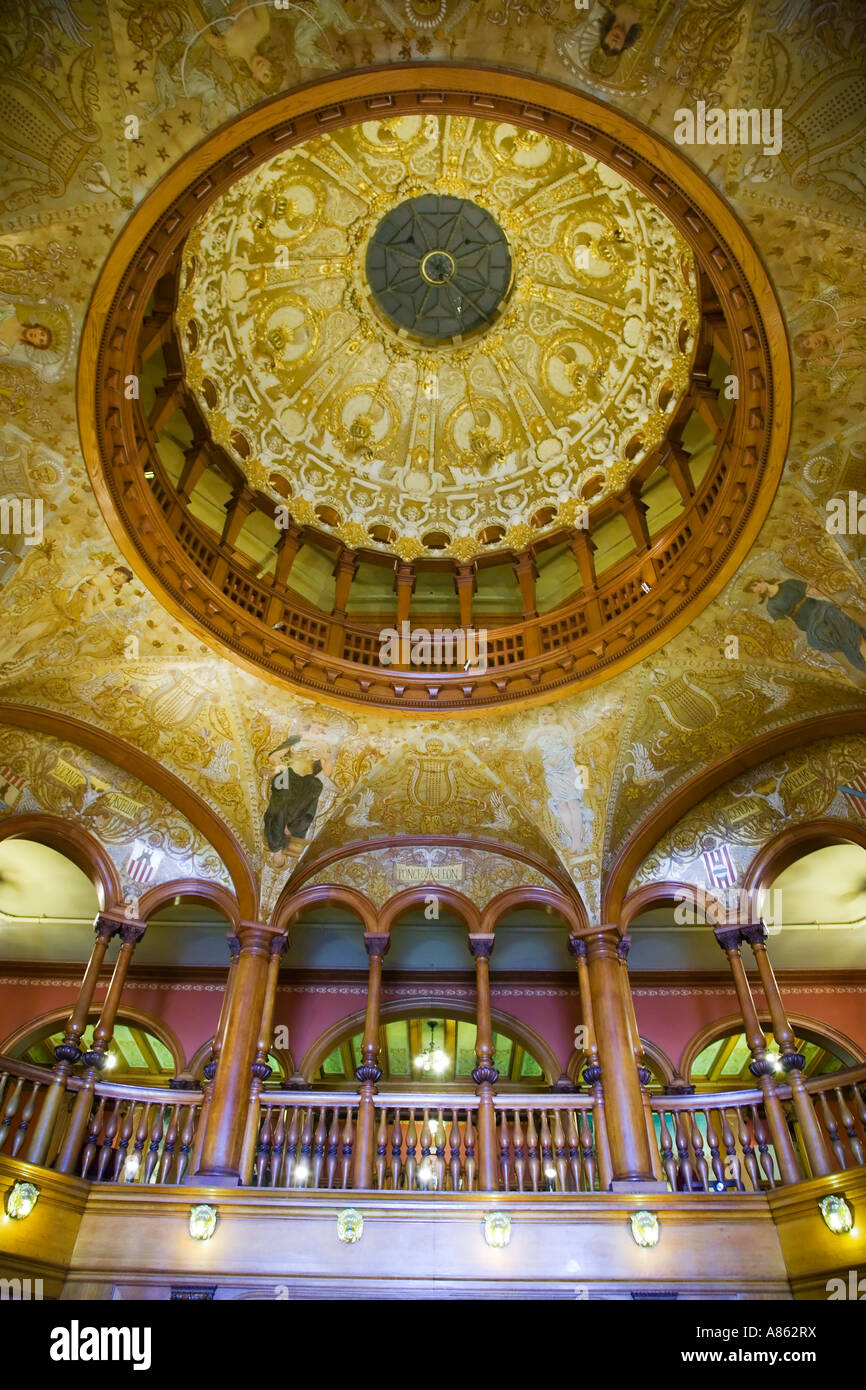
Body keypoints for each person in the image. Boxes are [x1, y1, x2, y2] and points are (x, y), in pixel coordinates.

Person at [747, 576, 866, 674]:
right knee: (822, 634)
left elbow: (812, 592)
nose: (755, 590)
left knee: (837, 617)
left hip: (820, 607)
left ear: (761, 580)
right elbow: (783, 626)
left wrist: (815, 586)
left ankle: (858, 645)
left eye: (754, 585)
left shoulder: (789, 583)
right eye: (752, 590)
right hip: (809, 623)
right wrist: (789, 634)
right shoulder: (771, 607)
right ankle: (854, 649)